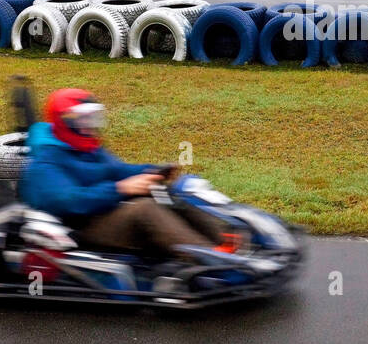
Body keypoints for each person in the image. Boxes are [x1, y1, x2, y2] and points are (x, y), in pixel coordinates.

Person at [19, 88, 234, 258]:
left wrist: (151, 171)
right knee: (144, 209)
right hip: (80, 226)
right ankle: (212, 260)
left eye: (93, 118)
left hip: (103, 211)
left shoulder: (87, 147)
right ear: (65, 122)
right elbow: (69, 200)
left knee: (169, 192)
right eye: (83, 120)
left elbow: (116, 170)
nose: (90, 126)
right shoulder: (46, 160)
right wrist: (120, 189)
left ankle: (227, 242)